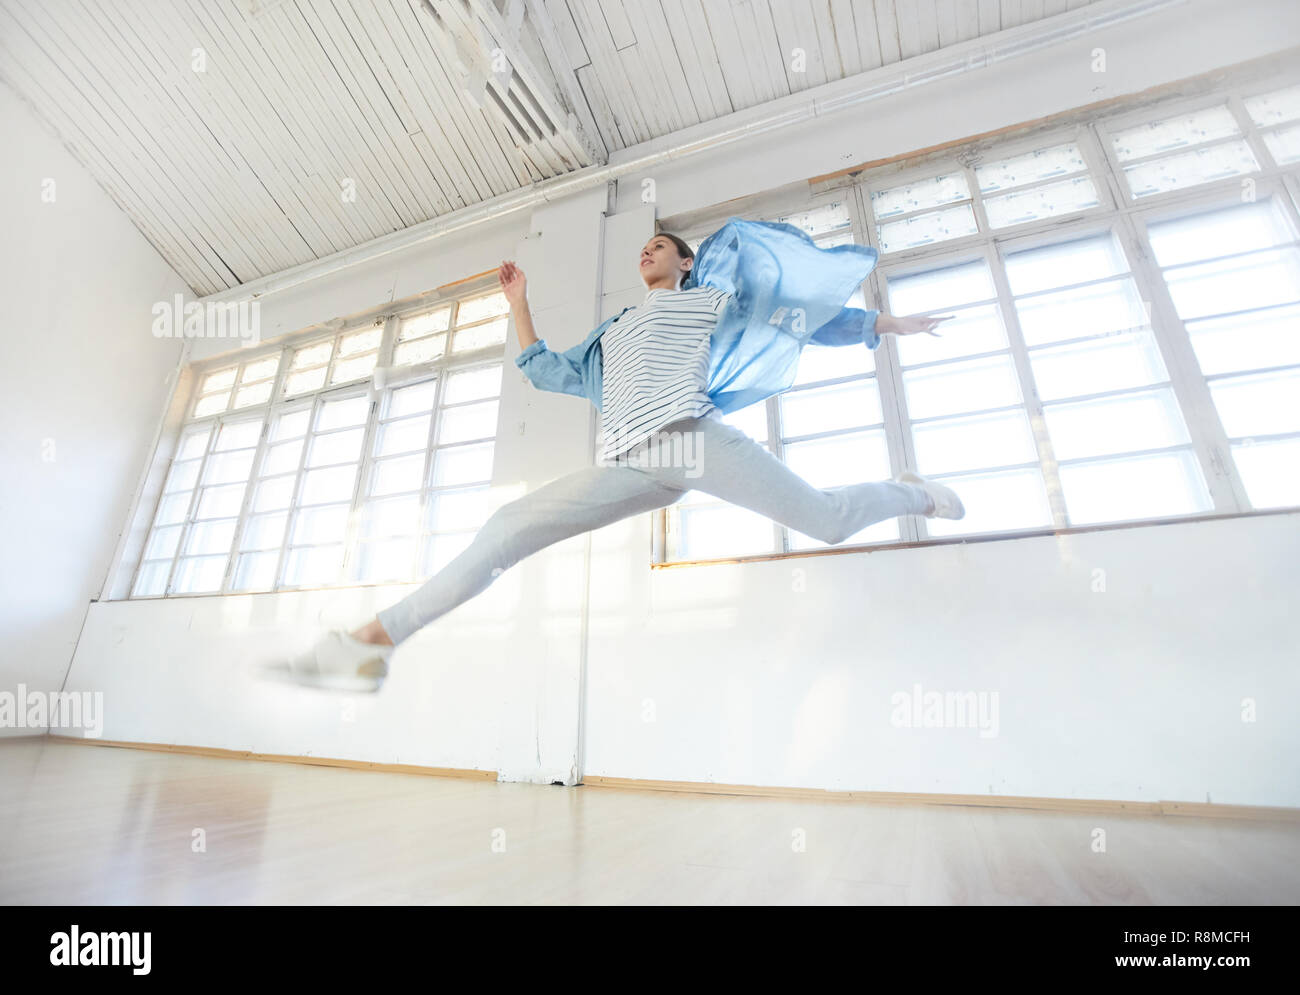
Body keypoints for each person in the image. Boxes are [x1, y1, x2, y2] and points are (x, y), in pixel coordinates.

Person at [260, 222, 962, 692]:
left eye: (662, 246)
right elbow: (542, 368)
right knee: (505, 527)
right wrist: (519, 302)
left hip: (691, 439)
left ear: (687, 262)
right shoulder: (614, 333)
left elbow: (795, 317)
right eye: (645, 247)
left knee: (827, 520)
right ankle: (370, 645)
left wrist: (883, 323)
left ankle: (913, 492)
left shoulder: (705, 303)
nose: (648, 251)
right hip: (629, 462)